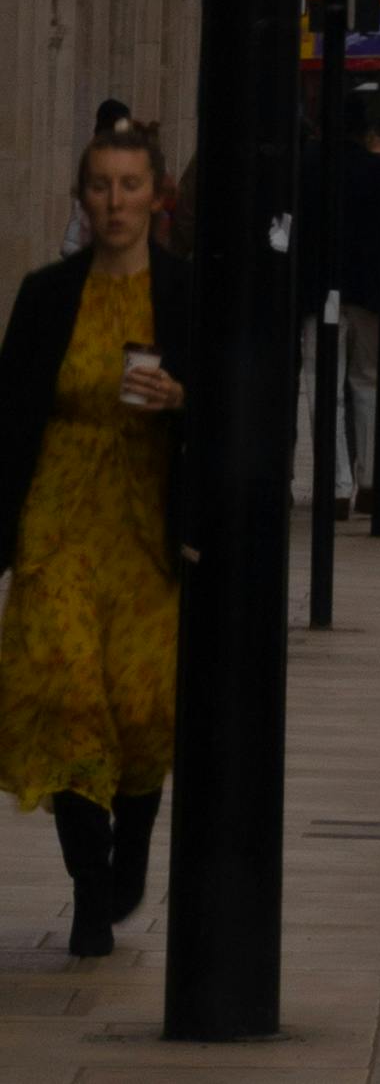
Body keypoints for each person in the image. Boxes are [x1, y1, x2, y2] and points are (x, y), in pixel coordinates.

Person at [0, 115, 191, 959]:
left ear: (156, 195)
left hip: (148, 523)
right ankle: (87, 896)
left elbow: (242, 397)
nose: (115, 202)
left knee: (144, 709)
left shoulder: (185, 292)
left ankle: (135, 839)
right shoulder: (47, 293)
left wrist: (183, 397)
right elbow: (8, 415)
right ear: (83, 196)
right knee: (71, 698)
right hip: (58, 520)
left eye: (129, 185)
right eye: (101, 185)